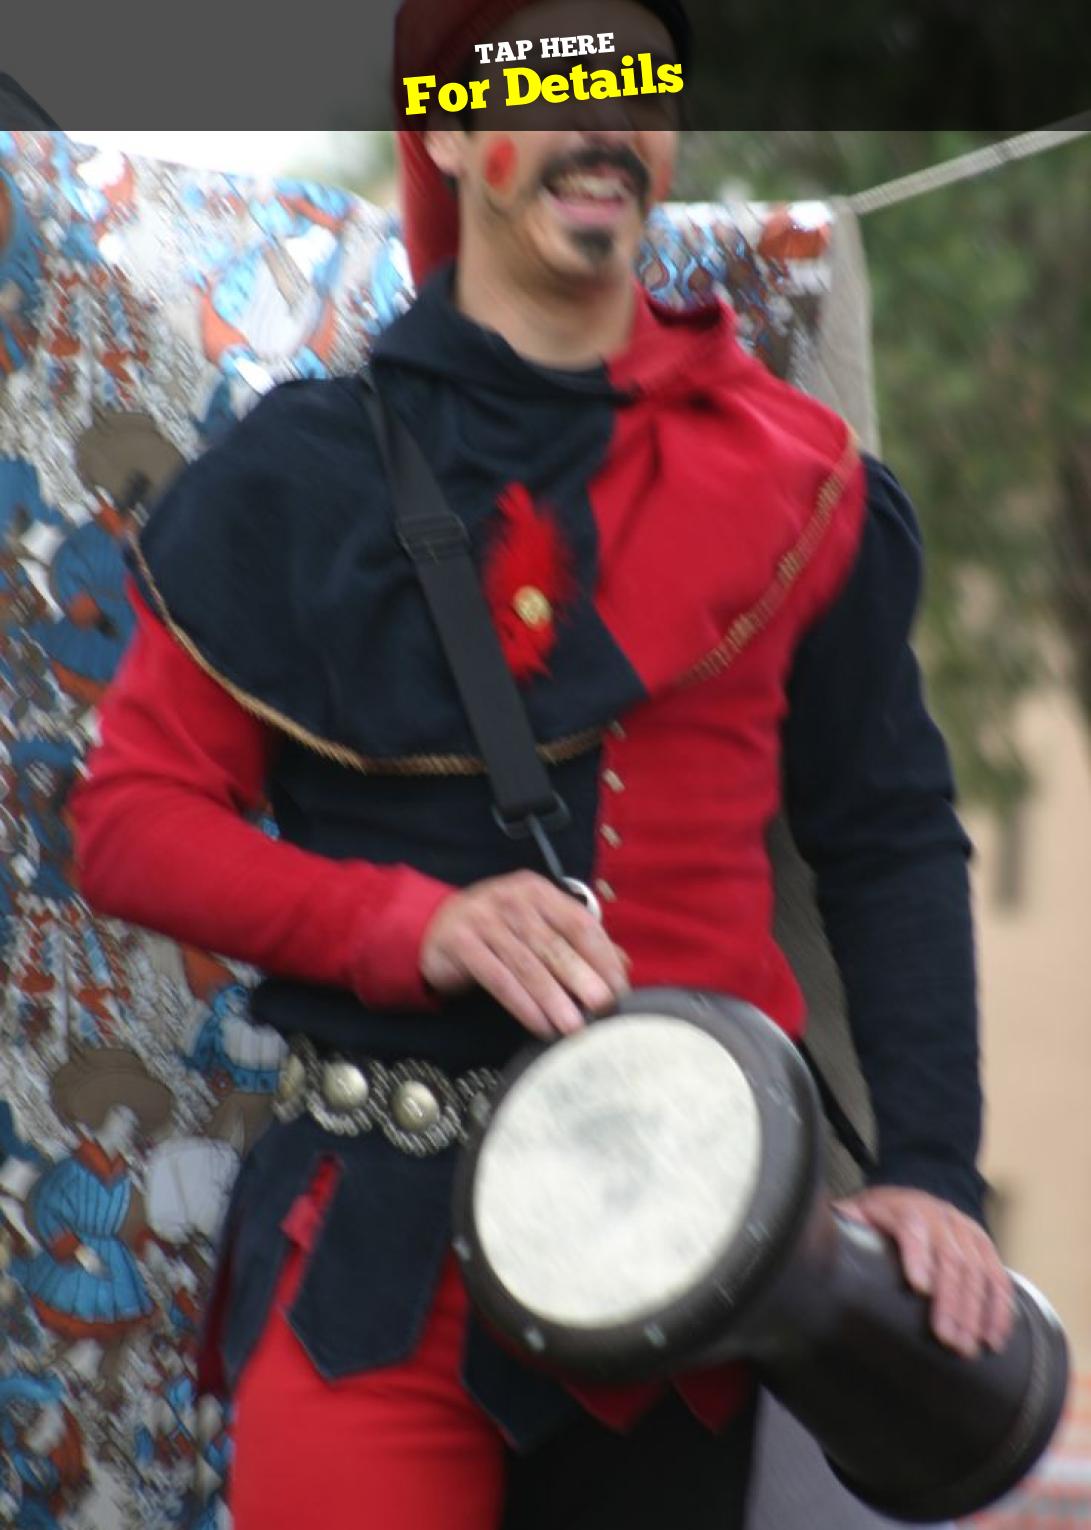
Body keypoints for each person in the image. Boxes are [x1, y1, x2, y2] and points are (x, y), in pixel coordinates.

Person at [70, 3, 1014, 1524]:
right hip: (372, 1255)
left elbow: (892, 839)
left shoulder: (799, 475)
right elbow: (127, 826)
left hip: (713, 1279)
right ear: (446, 129)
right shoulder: (289, 476)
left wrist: (933, 1173)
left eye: (638, 82)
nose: (605, 122)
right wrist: (412, 921)